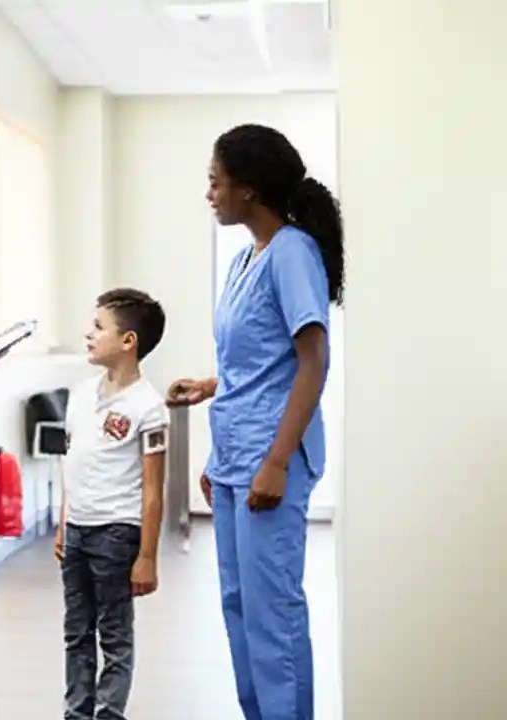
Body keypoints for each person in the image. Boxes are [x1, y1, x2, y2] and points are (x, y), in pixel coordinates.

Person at [167, 124, 344, 720]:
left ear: (248, 189)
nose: (209, 194)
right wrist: (212, 386)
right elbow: (262, 355)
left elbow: (313, 361)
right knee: (239, 606)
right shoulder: (248, 256)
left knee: (274, 614)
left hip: (273, 460)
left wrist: (273, 462)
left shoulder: (293, 251)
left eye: (215, 183)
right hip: (236, 457)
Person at [55, 288, 169, 720]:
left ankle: (109, 713)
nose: (89, 334)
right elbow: (72, 462)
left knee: (114, 635)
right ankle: (77, 712)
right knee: (76, 632)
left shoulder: (149, 406)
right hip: (79, 530)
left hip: (117, 534)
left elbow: (154, 490)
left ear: (128, 342)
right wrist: (65, 523)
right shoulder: (81, 394)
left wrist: (147, 556)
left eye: (98, 327)